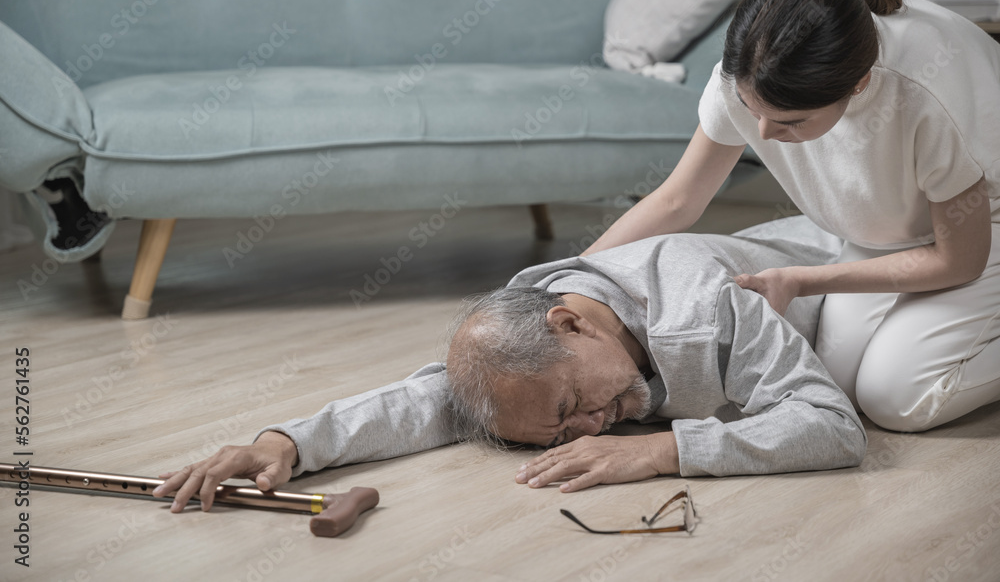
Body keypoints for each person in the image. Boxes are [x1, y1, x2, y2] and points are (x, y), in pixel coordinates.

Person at [155, 217, 866, 511]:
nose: (588, 428)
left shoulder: (705, 304)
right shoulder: (529, 331)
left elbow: (833, 425)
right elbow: (427, 401)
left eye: (568, 409)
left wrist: (663, 449)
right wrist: (284, 443)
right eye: (560, 432)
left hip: (859, 277)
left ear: (572, 322)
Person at [582, 0, 1000, 433]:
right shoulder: (749, 73)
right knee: (832, 385)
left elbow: (958, 260)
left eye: (792, 122)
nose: (763, 132)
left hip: (980, 234)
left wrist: (802, 280)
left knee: (894, 399)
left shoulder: (921, 94)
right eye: (749, 108)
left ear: (859, 84)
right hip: (888, 234)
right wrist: (552, 282)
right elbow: (677, 200)